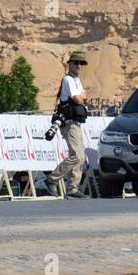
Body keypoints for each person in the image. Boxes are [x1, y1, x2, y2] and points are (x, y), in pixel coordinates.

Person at [46, 51, 90, 198]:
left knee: (81, 156)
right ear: (69, 64)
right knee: (77, 155)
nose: (79, 65)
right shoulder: (68, 80)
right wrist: (82, 97)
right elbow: (78, 99)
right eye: (76, 62)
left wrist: (82, 97)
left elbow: (84, 96)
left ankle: (72, 188)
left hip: (76, 123)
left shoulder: (76, 80)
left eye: (81, 63)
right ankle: (52, 179)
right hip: (69, 122)